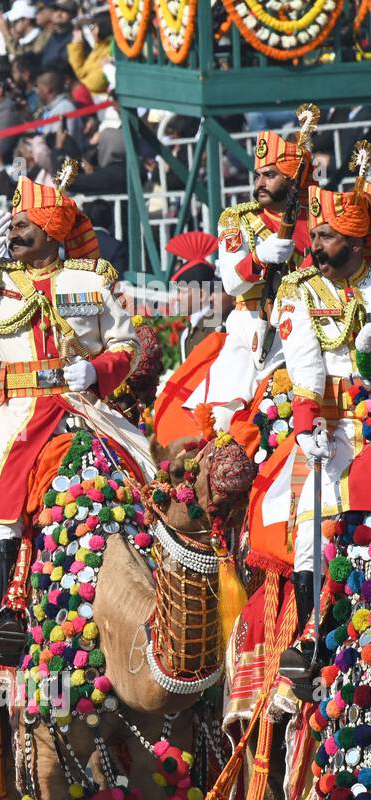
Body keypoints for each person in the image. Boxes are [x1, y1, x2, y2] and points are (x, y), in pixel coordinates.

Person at [0, 175, 155, 661]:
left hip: (81, 406)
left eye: (25, 225)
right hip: (19, 412)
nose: (14, 232)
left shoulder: (89, 281)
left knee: (144, 473)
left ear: (50, 232)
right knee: (3, 515)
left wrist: (100, 369)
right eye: (13, 225)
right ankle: (10, 617)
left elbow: (125, 344)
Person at [255, 181, 370, 637]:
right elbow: (305, 365)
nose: (314, 245)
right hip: (331, 425)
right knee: (309, 531)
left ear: (357, 242)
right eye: (314, 234)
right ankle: (310, 640)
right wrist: (306, 426)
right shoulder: (299, 290)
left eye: (326, 236)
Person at [153, 128, 314, 445]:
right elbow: (232, 282)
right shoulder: (237, 219)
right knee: (222, 420)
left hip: (311, 330)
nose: (259, 184)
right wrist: (260, 257)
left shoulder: (318, 222)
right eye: (258, 175)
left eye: (270, 175)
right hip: (254, 334)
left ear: (293, 179)